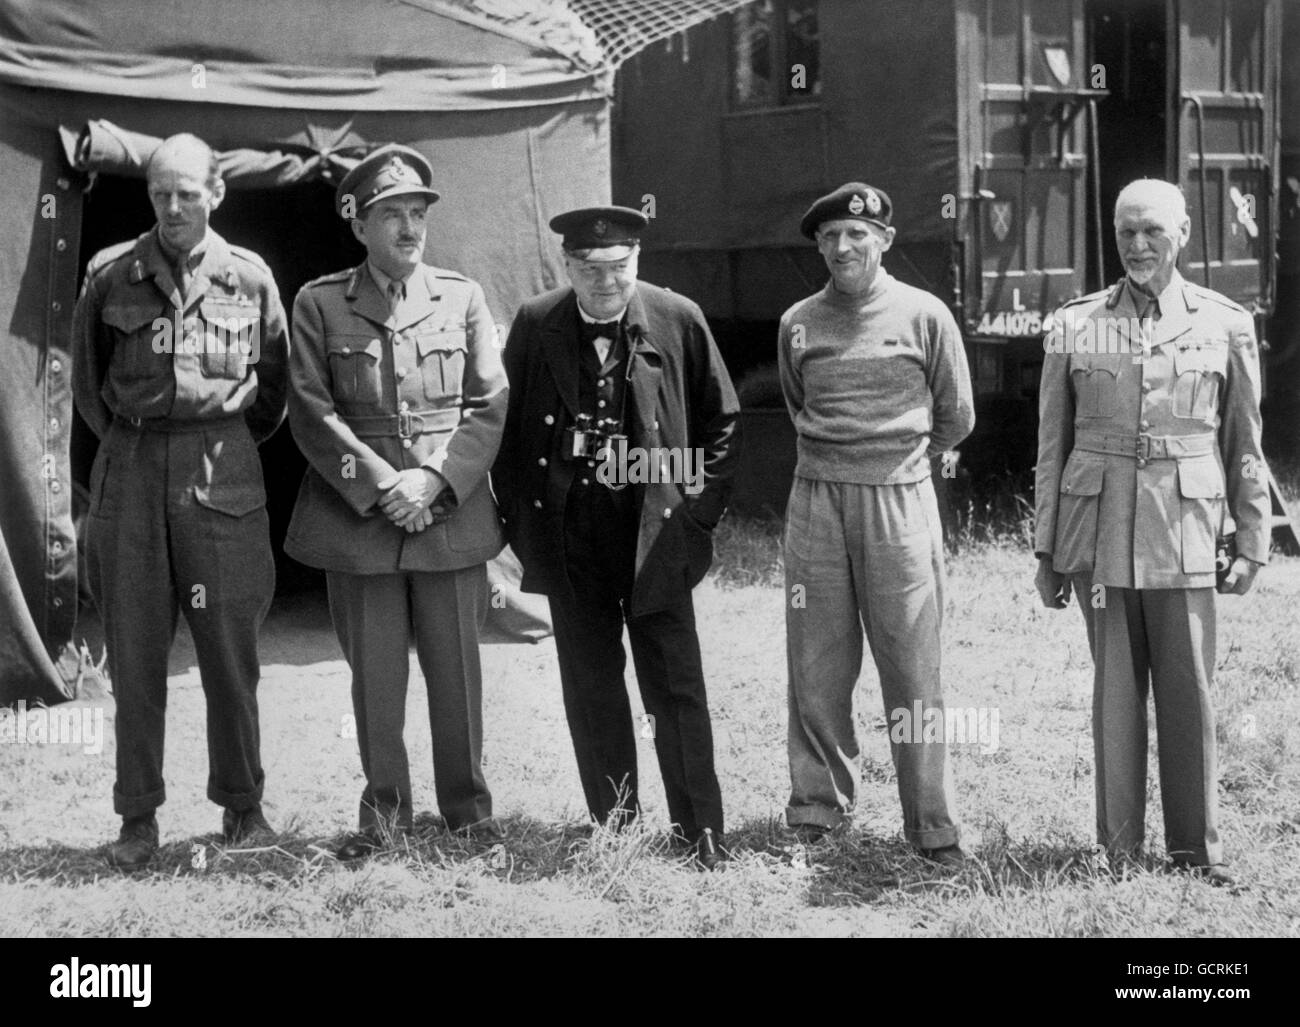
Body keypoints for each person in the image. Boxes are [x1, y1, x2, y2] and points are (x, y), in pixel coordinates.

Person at [1034, 178, 1269, 886]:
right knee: (1114, 692)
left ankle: (1197, 849)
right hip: (1098, 530)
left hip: (1186, 529)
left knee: (1188, 688)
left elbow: (1244, 441)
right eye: (1126, 232)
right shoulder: (1074, 324)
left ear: (1184, 234)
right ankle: (1118, 849)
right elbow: (1052, 444)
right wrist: (1047, 550)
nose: (1138, 245)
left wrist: (1253, 536)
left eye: (1153, 232)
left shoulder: (1225, 324)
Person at [493, 206, 740, 868]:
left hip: (655, 533)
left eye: (619, 268)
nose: (605, 282)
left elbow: (722, 421)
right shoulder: (536, 321)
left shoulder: (676, 316)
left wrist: (696, 514)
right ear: (566, 266)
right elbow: (506, 429)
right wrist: (521, 521)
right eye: (589, 269)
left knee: (675, 682)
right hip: (571, 534)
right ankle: (615, 822)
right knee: (591, 681)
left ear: (638, 263)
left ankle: (701, 829)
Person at [71, 133, 289, 869]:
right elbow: (87, 388)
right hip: (130, 471)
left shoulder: (250, 279)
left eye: (186, 193)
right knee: (133, 654)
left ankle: (242, 804)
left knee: (230, 652)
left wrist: (210, 436)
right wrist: (142, 443)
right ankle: (138, 817)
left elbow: (275, 393)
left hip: (221, 473)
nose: (171, 207)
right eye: (159, 193)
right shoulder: (111, 275)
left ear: (216, 193)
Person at [285, 144, 507, 860]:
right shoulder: (320, 303)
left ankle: (468, 813)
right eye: (392, 216)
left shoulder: (463, 296)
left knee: (457, 675)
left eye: (417, 214)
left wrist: (436, 480)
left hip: (449, 514)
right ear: (360, 226)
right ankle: (384, 817)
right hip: (361, 522)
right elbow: (312, 412)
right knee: (376, 681)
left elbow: (489, 404)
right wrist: (387, 484)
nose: (410, 228)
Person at [779, 182, 974, 865]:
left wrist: (898, 457)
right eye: (830, 236)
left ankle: (931, 822)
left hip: (898, 498)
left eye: (857, 235)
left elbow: (957, 414)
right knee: (815, 660)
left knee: (912, 661)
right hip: (818, 499)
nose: (842, 247)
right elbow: (797, 398)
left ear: (885, 240)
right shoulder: (798, 321)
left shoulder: (926, 315)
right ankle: (816, 807)